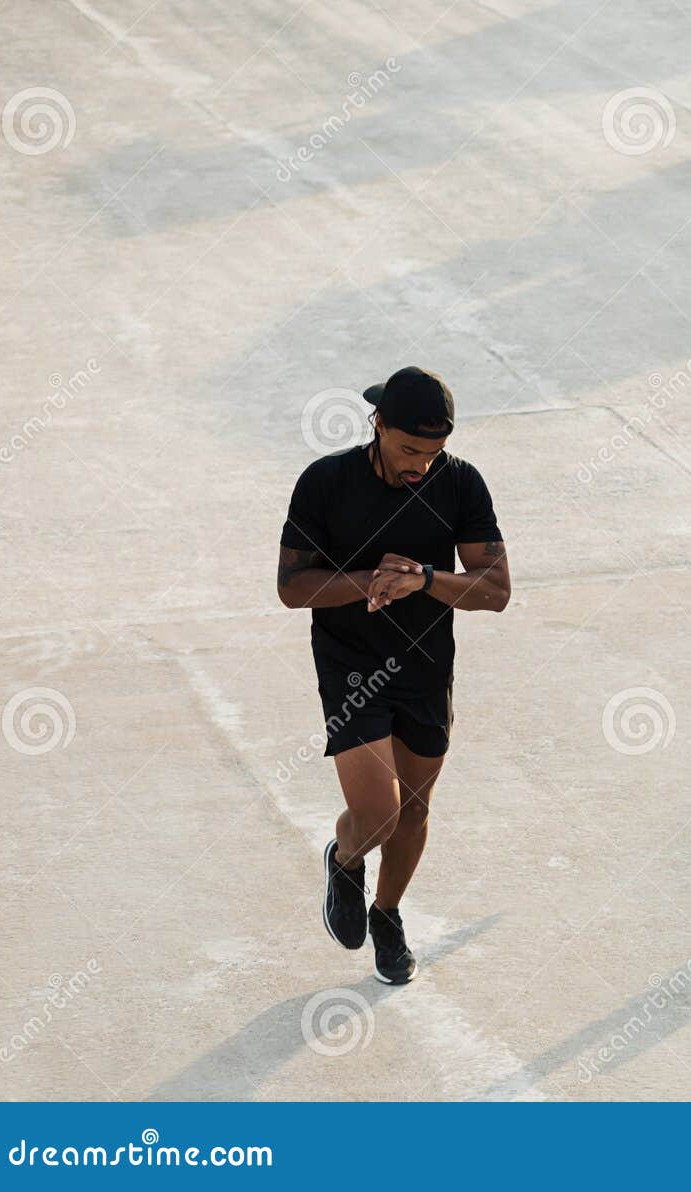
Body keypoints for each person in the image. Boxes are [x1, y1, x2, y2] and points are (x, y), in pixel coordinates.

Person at [277, 366, 510, 983]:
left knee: (413, 811)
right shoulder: (325, 483)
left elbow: (496, 591)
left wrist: (426, 579)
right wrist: (373, 580)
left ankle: (387, 913)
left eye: (433, 453)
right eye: (409, 449)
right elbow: (291, 587)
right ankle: (346, 858)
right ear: (377, 424)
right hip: (351, 664)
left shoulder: (460, 484)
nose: (421, 466)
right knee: (377, 815)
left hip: (428, 665)